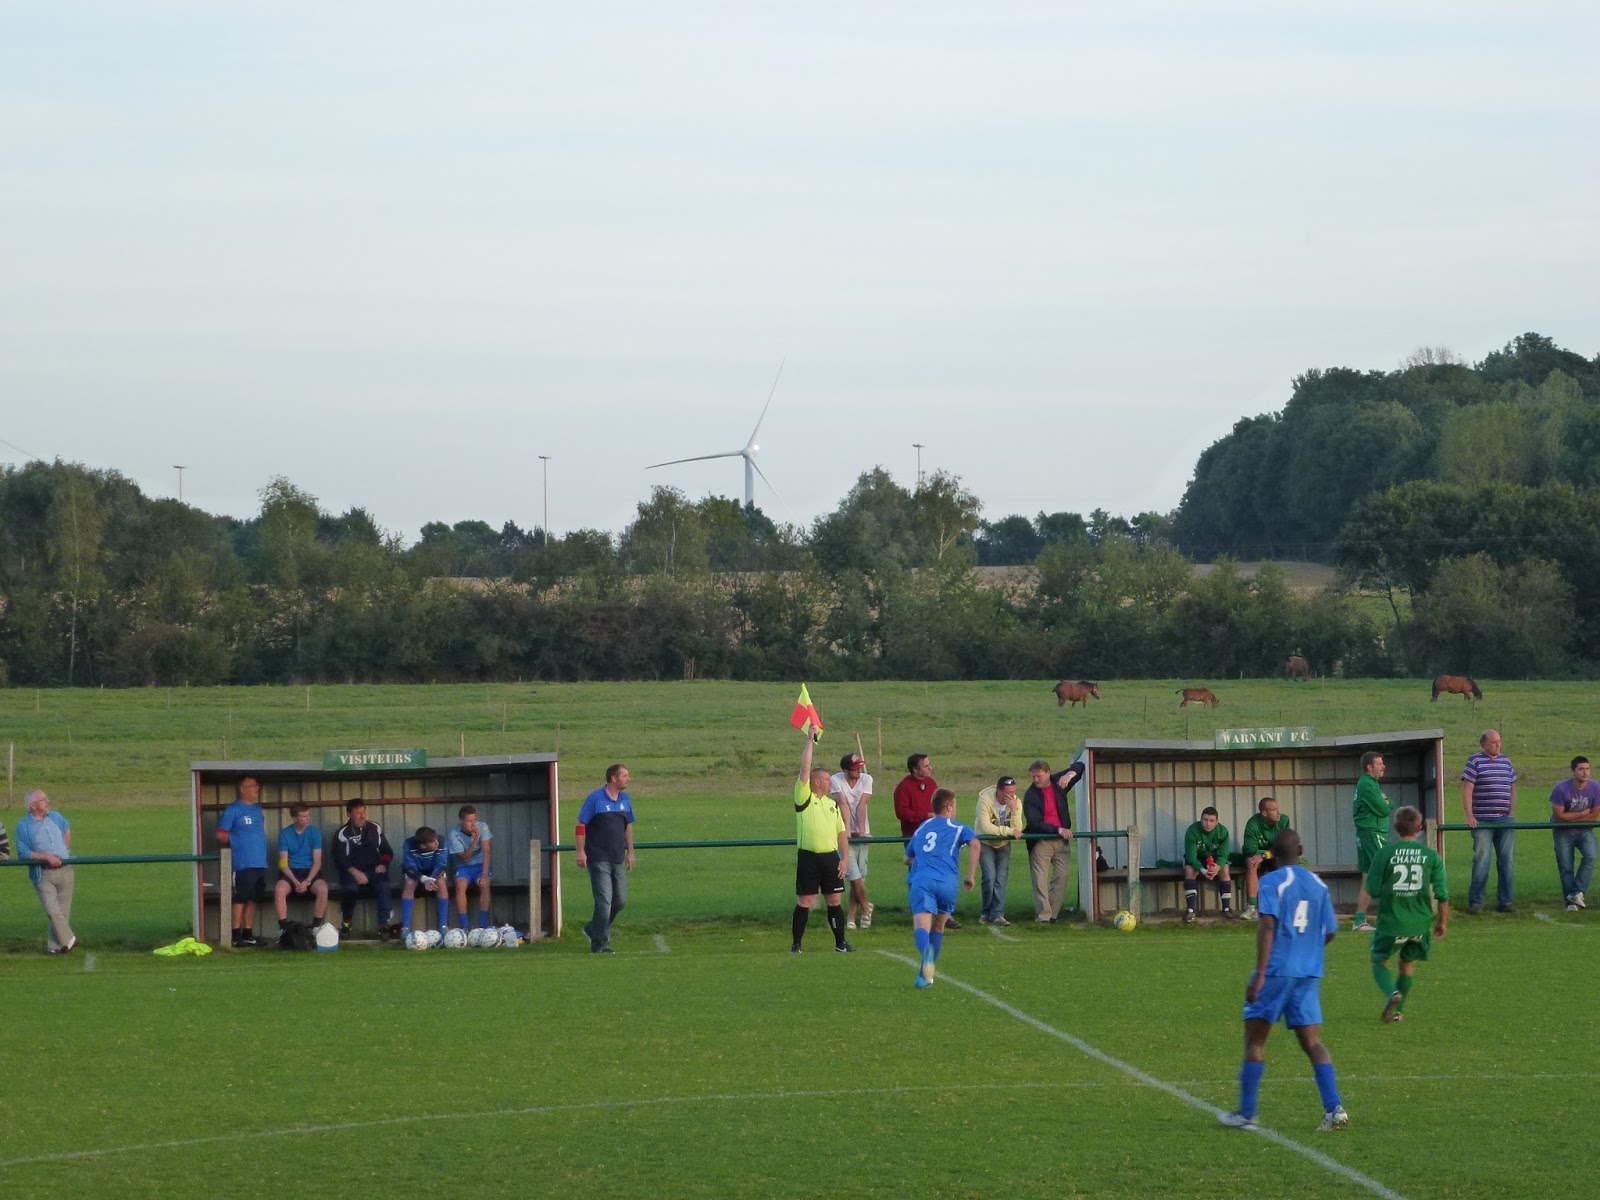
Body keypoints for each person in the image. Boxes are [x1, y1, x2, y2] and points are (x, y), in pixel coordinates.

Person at [1219, 829, 1347, 1133]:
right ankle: (1334, 1107)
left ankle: (1247, 1113)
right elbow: (1330, 930)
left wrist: (1260, 974)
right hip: (1308, 972)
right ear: (1300, 850)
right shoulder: (1317, 884)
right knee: (1312, 1041)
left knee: (1255, 1039)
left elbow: (1266, 926)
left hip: (1276, 971)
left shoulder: (1272, 882)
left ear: (1272, 855)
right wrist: (1309, 952)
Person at [1356, 805, 1448, 1023]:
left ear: (1396, 827)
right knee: (1407, 964)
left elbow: (1373, 889)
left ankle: (1392, 994)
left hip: (1392, 922)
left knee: (1378, 960)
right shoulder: (1431, 856)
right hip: (1419, 923)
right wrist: (1442, 922)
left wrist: (1361, 913)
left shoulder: (1385, 853)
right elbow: (1443, 894)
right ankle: (1398, 1012)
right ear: (1420, 827)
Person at [905, 788, 978, 988]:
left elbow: (907, 857)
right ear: (949, 806)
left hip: (923, 881)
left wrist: (920, 863)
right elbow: (976, 845)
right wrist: (970, 875)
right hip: (948, 883)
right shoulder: (959, 828)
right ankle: (925, 976)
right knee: (938, 927)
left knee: (921, 925)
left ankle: (925, 951)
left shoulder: (922, 828)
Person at [792, 728, 853, 954]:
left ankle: (840, 943)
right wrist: (810, 740)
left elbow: (841, 833)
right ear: (816, 782)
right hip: (809, 856)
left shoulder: (831, 804)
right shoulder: (804, 797)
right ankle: (797, 944)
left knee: (834, 900)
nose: (830, 782)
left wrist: (844, 858)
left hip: (830, 857)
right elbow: (804, 770)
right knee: (805, 901)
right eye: (827, 779)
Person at [575, 764, 636, 954]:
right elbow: (580, 825)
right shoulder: (595, 798)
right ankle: (600, 945)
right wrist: (580, 852)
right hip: (598, 857)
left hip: (617, 857)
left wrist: (631, 852)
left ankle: (593, 929)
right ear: (613, 778)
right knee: (604, 903)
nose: (629, 778)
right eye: (625, 775)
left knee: (620, 901)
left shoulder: (625, 799)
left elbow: (628, 827)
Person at [895, 752, 957, 928]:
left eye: (929, 765)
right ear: (915, 769)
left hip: (936, 836)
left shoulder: (931, 784)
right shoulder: (903, 787)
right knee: (920, 875)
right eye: (926, 766)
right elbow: (902, 812)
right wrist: (924, 816)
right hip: (916, 838)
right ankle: (923, 913)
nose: (930, 768)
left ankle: (945, 914)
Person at [1023, 758, 1084, 923]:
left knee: (1062, 877)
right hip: (1041, 841)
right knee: (1040, 879)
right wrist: (1058, 829)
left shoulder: (1058, 782)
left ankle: (1053, 915)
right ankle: (1043, 916)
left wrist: (1071, 773)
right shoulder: (1030, 796)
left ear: (1048, 773)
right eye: (1033, 777)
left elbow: (1081, 766)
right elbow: (1035, 823)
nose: (1035, 780)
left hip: (1062, 842)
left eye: (1038, 776)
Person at [1463, 729, 1517, 914]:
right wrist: (1470, 815)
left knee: (1507, 861)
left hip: (1505, 820)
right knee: (1481, 861)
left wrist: (1511, 812)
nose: (1497, 745)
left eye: (1499, 741)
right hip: (1483, 821)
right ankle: (1476, 902)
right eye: (1493, 742)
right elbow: (1467, 789)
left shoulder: (1506, 761)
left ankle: (1506, 901)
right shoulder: (1474, 761)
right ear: (1484, 744)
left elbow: (1512, 787)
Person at [16, 789, 76, 954]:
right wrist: (47, 857)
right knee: (52, 910)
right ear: (32, 806)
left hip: (66, 870)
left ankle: (55, 947)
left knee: (62, 913)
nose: (47, 801)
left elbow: (66, 827)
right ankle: (70, 939)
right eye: (43, 800)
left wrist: (65, 849)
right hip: (44, 874)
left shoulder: (55, 816)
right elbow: (23, 852)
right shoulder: (23, 826)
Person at [216, 776, 268, 948]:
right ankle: (235, 934)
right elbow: (221, 835)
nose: (256, 789)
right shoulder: (233, 810)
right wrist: (238, 843)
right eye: (252, 786)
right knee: (241, 897)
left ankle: (248, 933)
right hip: (243, 862)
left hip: (259, 861)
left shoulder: (257, 810)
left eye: (257, 786)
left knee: (254, 898)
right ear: (242, 789)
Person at [332, 799, 395, 936]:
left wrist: (383, 864)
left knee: (383, 885)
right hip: (352, 871)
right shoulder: (342, 833)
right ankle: (346, 924)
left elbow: (387, 851)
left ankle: (383, 925)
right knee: (350, 889)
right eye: (357, 813)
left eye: (364, 812)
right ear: (349, 814)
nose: (362, 816)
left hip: (374, 869)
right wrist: (355, 872)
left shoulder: (375, 828)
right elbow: (339, 859)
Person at [1350, 751, 1393, 932]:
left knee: (1370, 875)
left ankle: (1360, 919)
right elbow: (1385, 808)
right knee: (1382, 874)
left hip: (1371, 834)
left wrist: (1386, 802)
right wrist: (1388, 803)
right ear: (1370, 767)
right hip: (1372, 834)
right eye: (1379, 764)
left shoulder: (1370, 784)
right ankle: (1391, 917)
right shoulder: (1367, 784)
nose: (1383, 767)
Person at [831, 753, 875, 930]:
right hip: (844, 835)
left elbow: (861, 805)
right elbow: (843, 804)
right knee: (853, 875)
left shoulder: (867, 779)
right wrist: (846, 832)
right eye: (855, 768)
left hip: (862, 835)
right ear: (845, 770)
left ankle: (851, 917)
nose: (859, 771)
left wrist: (863, 832)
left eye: (859, 767)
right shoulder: (836, 780)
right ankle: (866, 907)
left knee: (859, 878)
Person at [1549, 755, 1598, 911]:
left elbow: (1594, 815)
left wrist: (1573, 818)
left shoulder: (1596, 788)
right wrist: (1582, 814)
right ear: (1573, 771)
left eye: (1587, 769)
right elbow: (1559, 815)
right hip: (1562, 831)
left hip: (1585, 830)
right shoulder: (1561, 789)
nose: (1585, 773)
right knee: (1566, 865)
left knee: (1591, 856)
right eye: (1581, 769)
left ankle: (1577, 892)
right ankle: (1571, 901)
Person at [273, 801, 330, 936]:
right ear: (294, 818)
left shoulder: (315, 832)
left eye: (309, 815)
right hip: (290, 871)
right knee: (279, 889)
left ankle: (316, 927)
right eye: (304, 816)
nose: (308, 818)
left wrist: (308, 881)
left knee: (323, 889)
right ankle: (283, 929)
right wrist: (295, 881)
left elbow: (317, 862)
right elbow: (283, 863)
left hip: (310, 871)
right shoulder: (285, 834)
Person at [975, 776, 1024, 925]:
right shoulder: (985, 800)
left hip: (1003, 843)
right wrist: (1009, 831)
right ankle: (986, 912)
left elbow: (1018, 828)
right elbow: (985, 827)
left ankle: (997, 914)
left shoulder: (1017, 803)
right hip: (985, 842)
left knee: (1001, 878)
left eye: (1013, 792)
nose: (1011, 796)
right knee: (989, 877)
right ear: (999, 791)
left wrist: (1015, 811)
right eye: (1007, 793)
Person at [1239, 796, 1290, 921]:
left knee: (1283, 865)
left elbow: (1282, 846)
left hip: (1273, 856)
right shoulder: (1253, 824)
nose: (1278, 813)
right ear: (1264, 813)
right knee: (1251, 862)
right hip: (1256, 856)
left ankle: (1284, 906)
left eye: (1278, 809)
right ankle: (1252, 907)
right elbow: (1250, 849)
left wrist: (1264, 855)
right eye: (1274, 810)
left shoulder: (1284, 820)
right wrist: (1261, 855)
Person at [1183, 806, 1237, 922]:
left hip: (1215, 859)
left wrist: (1217, 867)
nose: (1208, 823)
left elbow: (1223, 854)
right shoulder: (1192, 831)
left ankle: (1226, 909)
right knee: (1189, 870)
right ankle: (1191, 911)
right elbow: (1191, 856)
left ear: (1217, 822)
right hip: (1198, 859)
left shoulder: (1222, 832)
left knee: (1225, 869)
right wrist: (1203, 870)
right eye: (1205, 820)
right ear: (1201, 820)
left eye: (1211, 821)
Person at [446, 804, 494, 932]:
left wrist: (484, 874)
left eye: (474, 820)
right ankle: (465, 926)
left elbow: (487, 851)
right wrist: (475, 840)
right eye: (469, 821)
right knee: (460, 886)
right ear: (461, 821)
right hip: (463, 867)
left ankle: (482, 925)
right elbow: (465, 857)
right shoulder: (453, 834)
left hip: (480, 866)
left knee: (485, 884)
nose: (473, 824)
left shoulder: (482, 827)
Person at [399, 825, 450, 943]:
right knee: (410, 883)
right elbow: (409, 867)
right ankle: (405, 928)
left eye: (436, 839)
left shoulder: (441, 842)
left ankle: (443, 926)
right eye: (433, 842)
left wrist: (432, 879)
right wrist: (423, 879)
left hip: (434, 872)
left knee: (441, 882)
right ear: (423, 845)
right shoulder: (409, 844)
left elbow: (441, 865)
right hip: (417, 873)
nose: (437, 843)